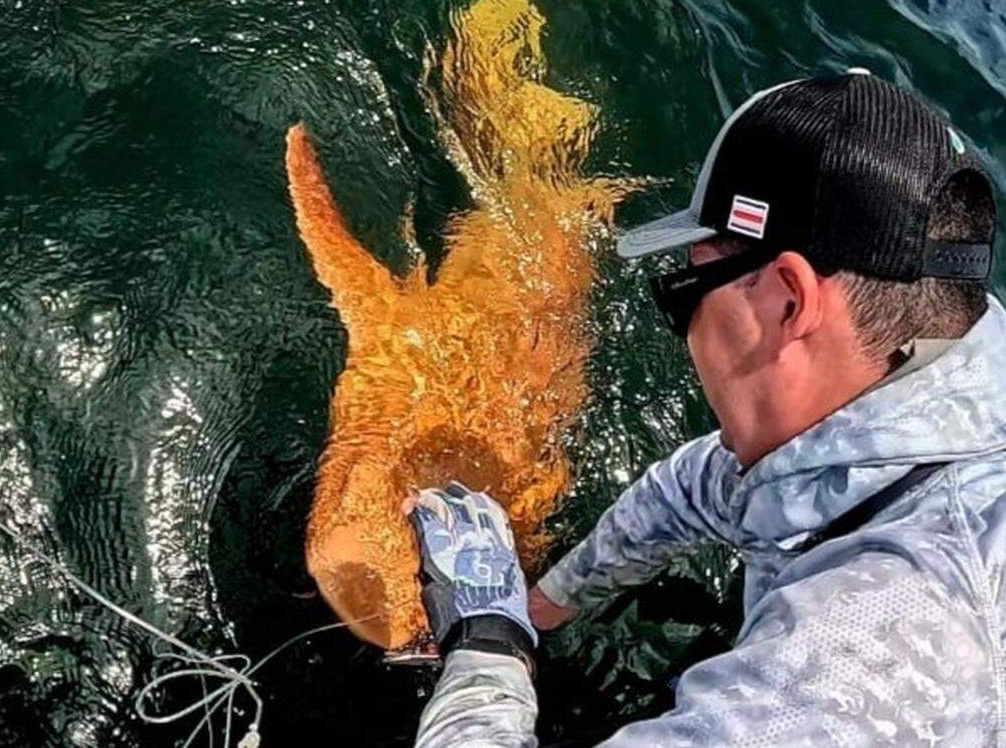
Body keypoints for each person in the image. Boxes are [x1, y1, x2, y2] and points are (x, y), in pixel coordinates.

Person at [407, 70, 1004, 746]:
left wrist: (486, 642)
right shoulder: (938, 395)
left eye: (685, 287)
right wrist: (545, 602)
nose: (685, 324)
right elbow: (707, 485)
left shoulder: (866, 657)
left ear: (788, 301)